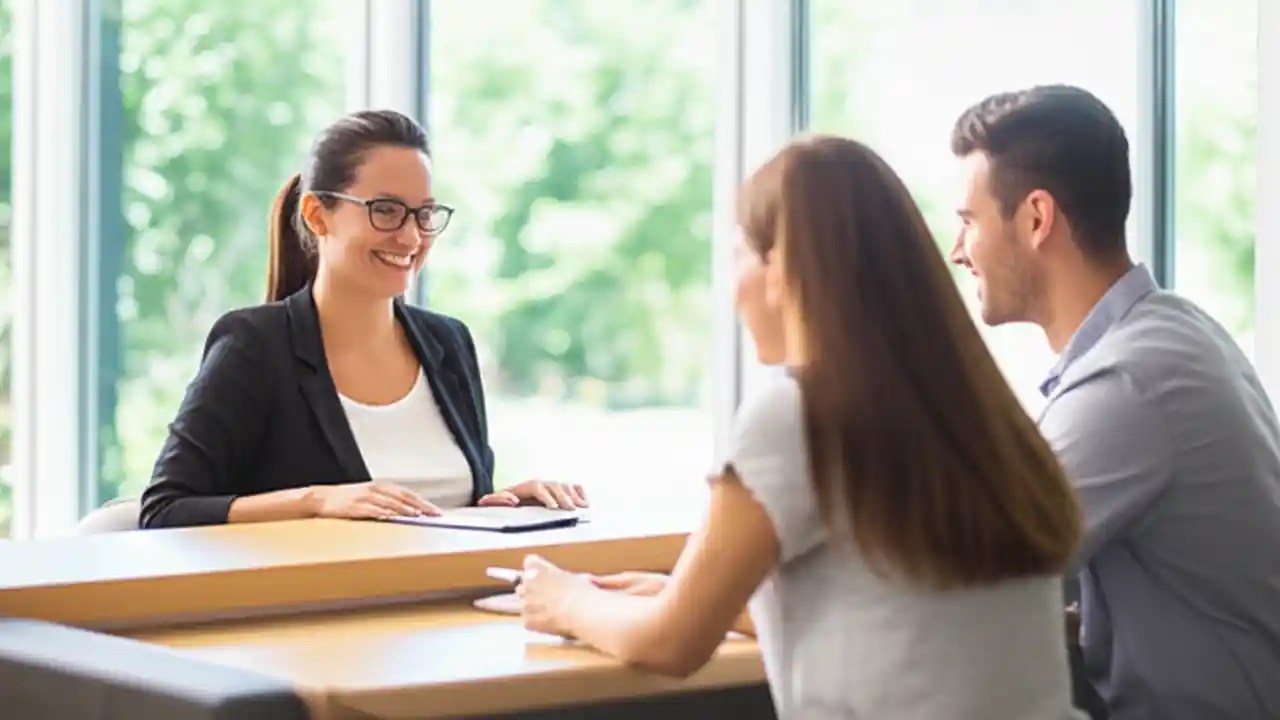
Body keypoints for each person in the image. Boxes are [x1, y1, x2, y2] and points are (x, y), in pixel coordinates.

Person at [515, 135, 1085, 719]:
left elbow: (672, 644)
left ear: (782, 269)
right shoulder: (978, 412)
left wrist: (564, 600)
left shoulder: (796, 415)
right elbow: (907, 612)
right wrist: (686, 596)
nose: (731, 289)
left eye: (738, 255)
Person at [949, 84, 1280, 719]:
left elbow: (972, 570)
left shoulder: (1127, 383)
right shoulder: (1176, 332)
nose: (958, 250)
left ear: (1037, 218)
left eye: (969, 221)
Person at [141, 109, 586, 529]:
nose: (411, 237)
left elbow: (443, 514)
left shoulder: (448, 342)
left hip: (451, 584)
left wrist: (499, 505)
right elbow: (165, 510)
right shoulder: (254, 344)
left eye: (424, 214)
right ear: (317, 216)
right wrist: (315, 501)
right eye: (386, 210)